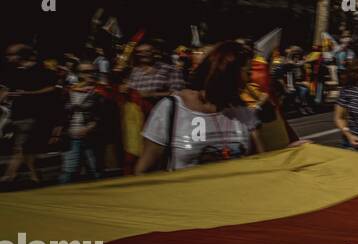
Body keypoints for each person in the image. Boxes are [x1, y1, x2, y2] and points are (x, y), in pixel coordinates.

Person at [137, 42, 265, 172]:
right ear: (229, 73)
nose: (250, 80)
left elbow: (262, 164)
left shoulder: (244, 113)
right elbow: (143, 171)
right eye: (248, 73)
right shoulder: (171, 108)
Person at [1, 43, 61, 185]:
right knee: (23, 148)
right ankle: (34, 176)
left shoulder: (42, 70)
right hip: (15, 115)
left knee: (20, 147)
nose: (7, 58)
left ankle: (10, 175)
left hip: (32, 115)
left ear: (21, 56)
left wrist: (29, 94)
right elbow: (6, 90)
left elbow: (52, 89)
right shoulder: (13, 72)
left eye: (11, 55)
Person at [55, 61, 109, 183]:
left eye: (93, 71)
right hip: (70, 136)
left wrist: (89, 128)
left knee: (96, 171)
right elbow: (61, 114)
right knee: (69, 170)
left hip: (92, 136)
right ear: (77, 74)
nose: (91, 74)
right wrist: (58, 131)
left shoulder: (100, 92)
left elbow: (103, 116)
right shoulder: (68, 91)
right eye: (86, 72)